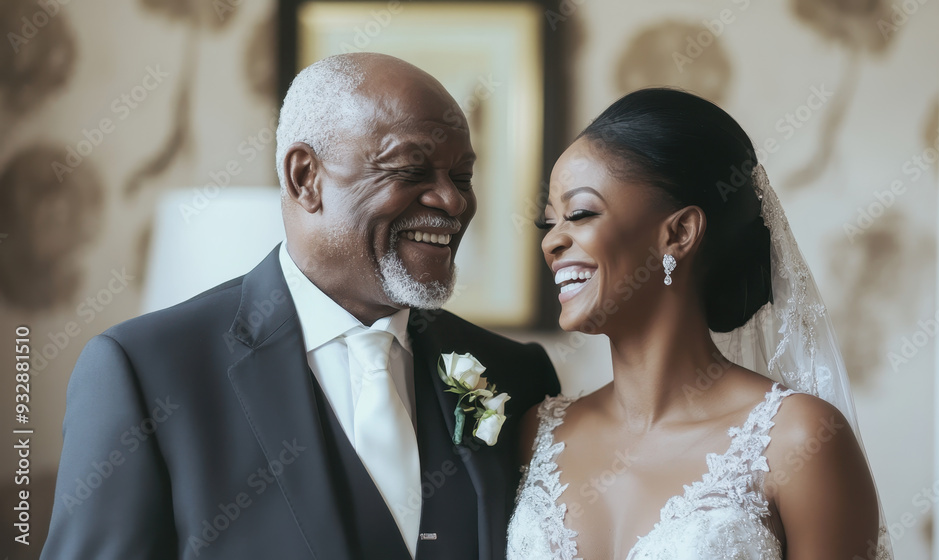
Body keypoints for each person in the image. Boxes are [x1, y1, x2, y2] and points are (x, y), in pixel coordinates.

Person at [42, 53, 559, 560]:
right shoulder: (145, 373)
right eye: (411, 170)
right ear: (304, 177)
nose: (452, 202)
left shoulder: (516, 376)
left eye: (462, 177)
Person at [507, 88, 892, 560]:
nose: (552, 244)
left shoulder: (798, 440)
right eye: (550, 223)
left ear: (679, 233)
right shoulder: (537, 433)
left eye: (580, 214)